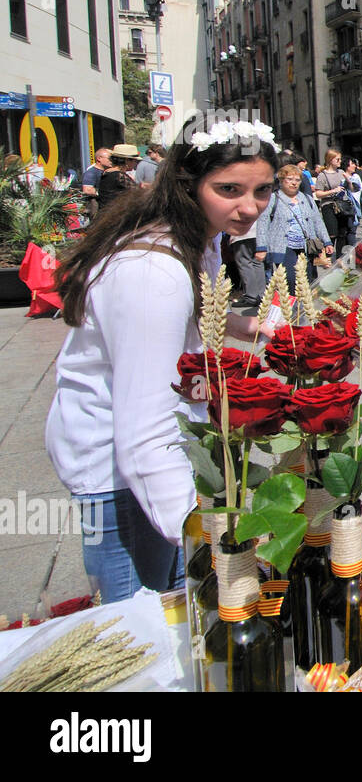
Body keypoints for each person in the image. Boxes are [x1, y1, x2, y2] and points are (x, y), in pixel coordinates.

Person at [47, 130, 280, 603]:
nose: (251, 207)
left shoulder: (194, 236)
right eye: (229, 190)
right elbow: (144, 437)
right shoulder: (152, 274)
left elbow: (189, 311)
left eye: (262, 190)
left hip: (148, 459)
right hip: (120, 478)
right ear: (187, 185)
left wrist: (239, 325)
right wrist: (216, 542)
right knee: (144, 624)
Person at [254, 164, 334, 293]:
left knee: (307, 280)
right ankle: (291, 309)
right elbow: (262, 223)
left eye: (297, 180)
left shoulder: (307, 198)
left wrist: (327, 241)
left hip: (306, 245)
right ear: (281, 180)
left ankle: (303, 310)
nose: (294, 183)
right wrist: (261, 247)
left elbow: (317, 221)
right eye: (289, 179)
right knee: (290, 280)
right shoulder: (273, 198)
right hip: (284, 246)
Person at [314, 149, 353, 252]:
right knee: (332, 233)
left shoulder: (341, 172)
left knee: (342, 233)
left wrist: (349, 182)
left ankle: (340, 259)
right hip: (329, 206)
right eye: (337, 159)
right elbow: (318, 194)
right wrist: (333, 191)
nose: (340, 161)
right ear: (330, 160)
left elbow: (351, 189)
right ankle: (327, 255)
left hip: (342, 205)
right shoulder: (323, 175)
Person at [97, 145, 142, 211]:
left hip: (104, 215)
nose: (136, 163)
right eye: (135, 161)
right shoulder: (119, 176)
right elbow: (138, 193)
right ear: (127, 161)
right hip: (115, 216)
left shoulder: (108, 173)